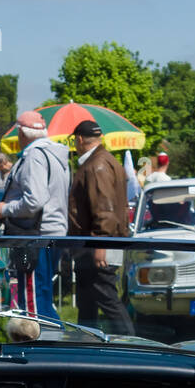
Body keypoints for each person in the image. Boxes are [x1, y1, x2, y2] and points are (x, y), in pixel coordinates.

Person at [0, 109, 70, 320]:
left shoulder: (34, 156)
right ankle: (52, 342)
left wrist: (4, 209)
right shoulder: (56, 155)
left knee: (33, 304)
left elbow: (34, 201)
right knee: (42, 296)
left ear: (22, 133)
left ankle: (40, 346)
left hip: (35, 236)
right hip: (51, 233)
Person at [67, 119, 134, 335]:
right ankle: (84, 343)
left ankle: (131, 344)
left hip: (96, 244)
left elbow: (103, 207)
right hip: (95, 242)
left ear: (79, 139)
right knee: (88, 300)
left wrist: (100, 243)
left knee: (106, 297)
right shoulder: (104, 160)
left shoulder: (97, 164)